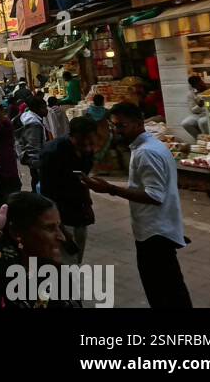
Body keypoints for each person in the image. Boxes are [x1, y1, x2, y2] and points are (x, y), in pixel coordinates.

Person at [81, 102, 191, 308]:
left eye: (121, 126)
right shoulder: (147, 148)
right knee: (170, 288)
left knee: (164, 292)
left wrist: (111, 189)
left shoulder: (146, 152)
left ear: (139, 124)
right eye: (114, 127)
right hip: (156, 228)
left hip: (155, 232)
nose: (117, 132)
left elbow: (154, 195)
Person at [0, 186, 80, 309]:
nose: (61, 236)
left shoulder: (52, 268)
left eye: (59, 226)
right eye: (50, 228)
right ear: (17, 232)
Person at [38, 116, 98, 265]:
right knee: (64, 263)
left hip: (79, 214)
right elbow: (47, 195)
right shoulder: (53, 153)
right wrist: (61, 230)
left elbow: (82, 180)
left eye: (91, 142)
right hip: (61, 217)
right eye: (85, 142)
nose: (89, 147)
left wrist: (88, 204)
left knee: (76, 259)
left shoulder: (87, 151)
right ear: (74, 136)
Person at [15, 97, 49, 193]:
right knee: (38, 183)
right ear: (38, 109)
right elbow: (33, 147)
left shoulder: (28, 116)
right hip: (35, 161)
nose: (46, 110)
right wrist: (38, 165)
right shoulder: (34, 123)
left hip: (32, 160)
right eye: (44, 108)